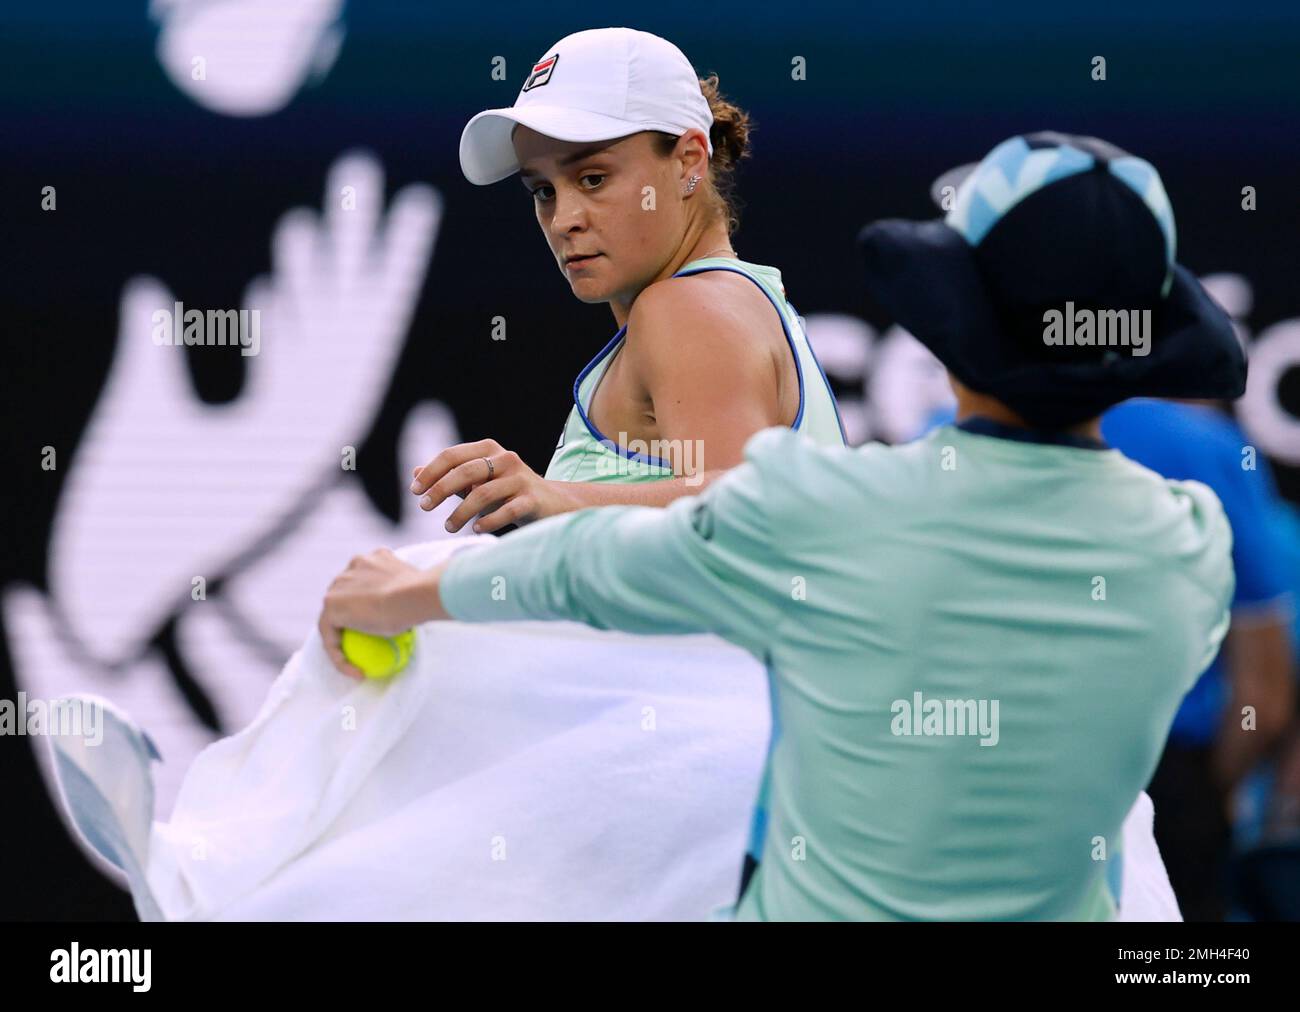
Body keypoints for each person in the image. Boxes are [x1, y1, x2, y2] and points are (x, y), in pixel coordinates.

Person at [320, 132, 1246, 919]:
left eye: (590, 177)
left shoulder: (820, 511)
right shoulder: (1194, 547)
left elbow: (591, 568)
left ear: (952, 324)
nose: (564, 214)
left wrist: (405, 589)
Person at [408, 26, 844, 539]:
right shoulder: (731, 299)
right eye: (543, 190)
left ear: (688, 162)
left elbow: (746, 514)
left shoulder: (687, 306)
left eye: (593, 178)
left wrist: (555, 497)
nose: (563, 218)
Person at [1101, 397, 1296, 919]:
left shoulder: (948, 435)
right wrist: (1205, 795)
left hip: (1005, 769)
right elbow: (1266, 693)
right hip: (1177, 775)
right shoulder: (1208, 445)